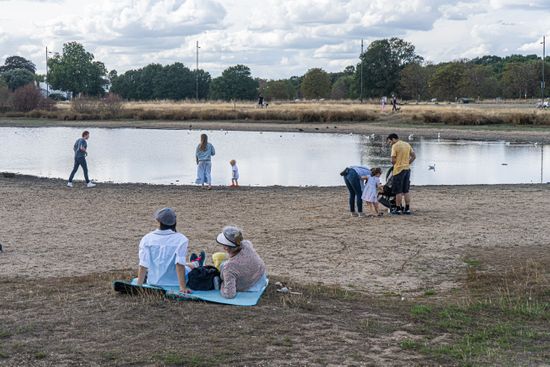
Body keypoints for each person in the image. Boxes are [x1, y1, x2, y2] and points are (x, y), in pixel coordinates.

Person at [136, 208, 191, 294]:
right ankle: (196, 263)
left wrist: (138, 286)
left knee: (186, 265)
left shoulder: (146, 238)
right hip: (175, 282)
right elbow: (179, 265)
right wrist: (182, 288)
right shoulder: (181, 239)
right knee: (190, 267)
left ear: (158, 221)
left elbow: (143, 264)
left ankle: (194, 263)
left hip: (153, 281)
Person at [214, 226, 267, 299]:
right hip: (262, 279)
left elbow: (229, 295)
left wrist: (222, 285)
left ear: (226, 247)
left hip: (251, 288)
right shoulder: (247, 244)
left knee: (222, 267)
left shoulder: (229, 267)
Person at [386, 133, 416, 215]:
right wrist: (407, 163)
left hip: (398, 170)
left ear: (393, 139)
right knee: (406, 191)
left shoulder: (395, 146)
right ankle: (407, 209)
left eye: (390, 141)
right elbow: (414, 156)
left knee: (398, 191)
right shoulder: (407, 144)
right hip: (407, 169)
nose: (390, 143)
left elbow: (393, 160)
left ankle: (398, 209)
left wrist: (395, 163)